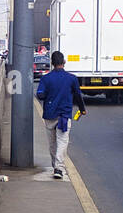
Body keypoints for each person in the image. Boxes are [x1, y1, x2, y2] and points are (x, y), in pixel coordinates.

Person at [35, 50, 86, 180]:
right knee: (62, 141)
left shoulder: (46, 78)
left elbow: (40, 94)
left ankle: (55, 166)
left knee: (52, 143)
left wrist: (49, 95)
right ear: (64, 62)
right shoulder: (72, 79)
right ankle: (59, 167)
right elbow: (78, 96)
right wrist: (82, 109)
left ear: (52, 63)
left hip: (50, 115)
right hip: (64, 115)